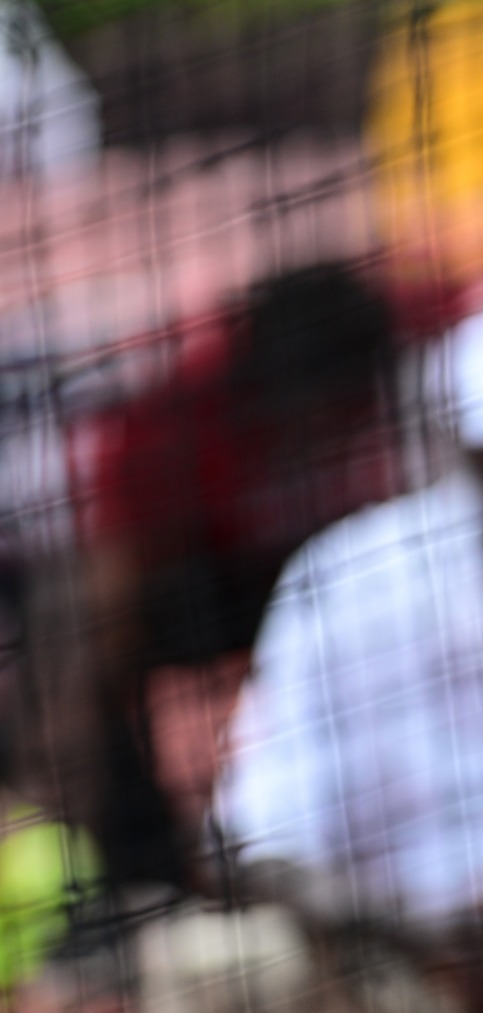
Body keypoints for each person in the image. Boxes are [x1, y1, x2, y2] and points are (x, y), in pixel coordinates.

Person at [218, 298, 483, 1013]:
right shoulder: (347, 577)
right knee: (224, 961)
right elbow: (258, 839)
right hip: (385, 958)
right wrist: (419, 931)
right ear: (464, 445)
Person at [78, 260, 400, 897]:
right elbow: (119, 612)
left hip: (332, 624)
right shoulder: (170, 428)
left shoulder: (374, 362)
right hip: (201, 629)